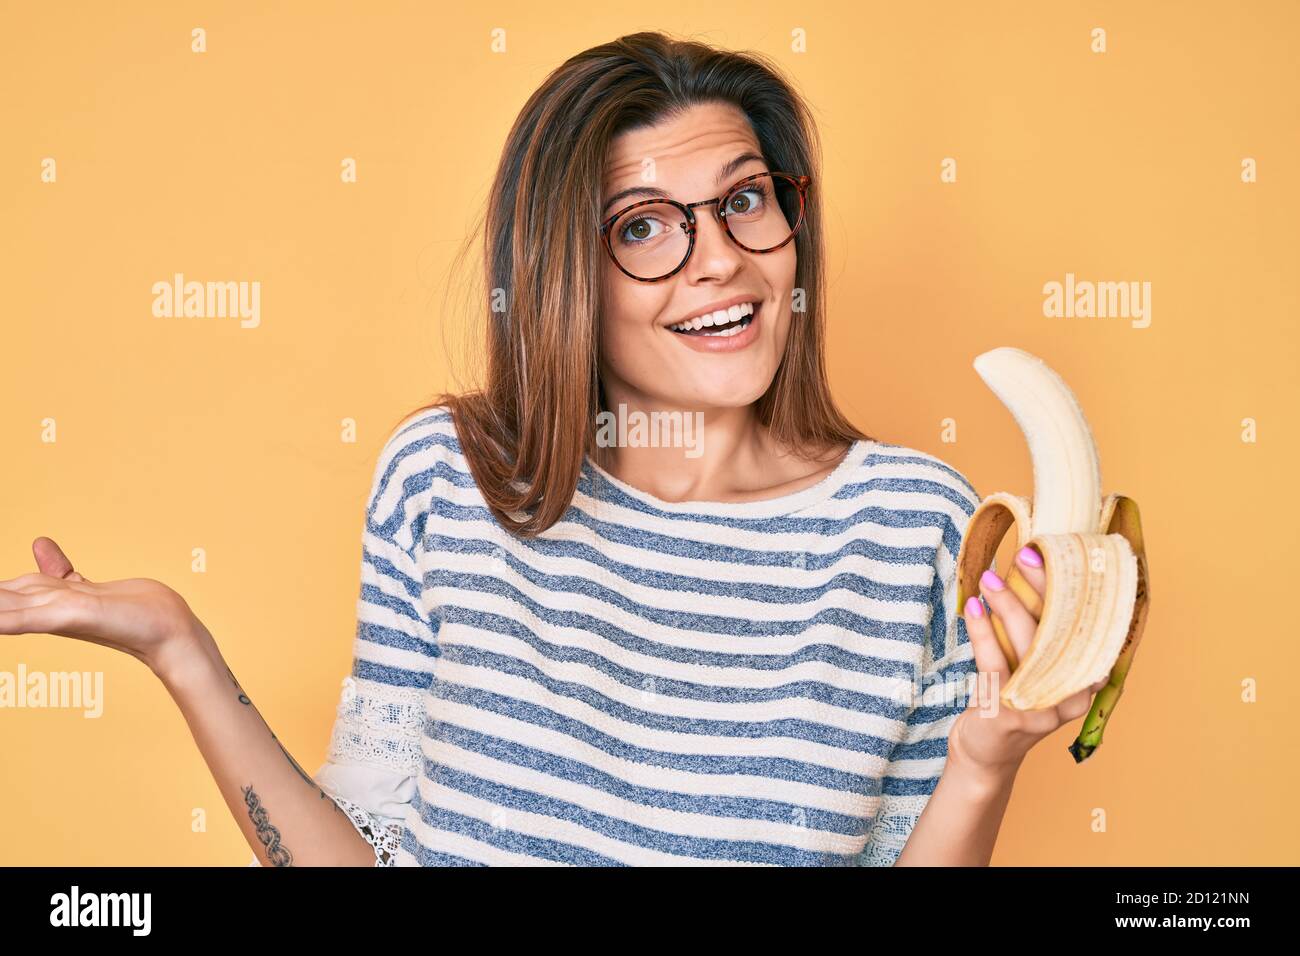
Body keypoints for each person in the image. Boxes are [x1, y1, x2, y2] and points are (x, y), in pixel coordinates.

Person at [0, 31, 1108, 867]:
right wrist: (177, 646)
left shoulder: (919, 524)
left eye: (743, 202)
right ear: (559, 269)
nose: (717, 260)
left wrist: (984, 755)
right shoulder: (449, 478)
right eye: (643, 225)